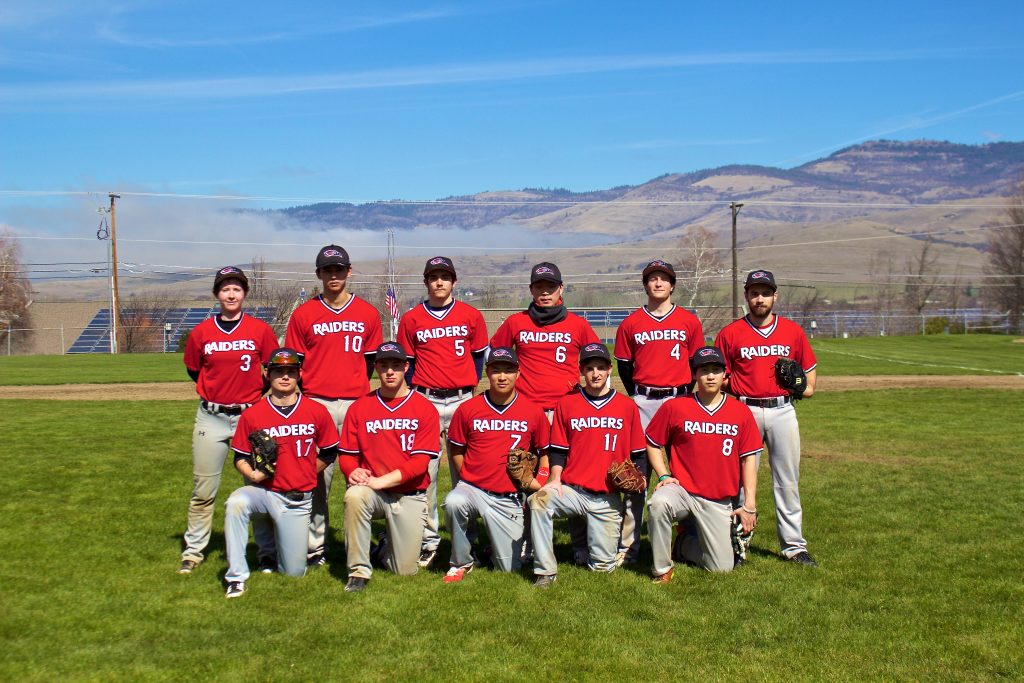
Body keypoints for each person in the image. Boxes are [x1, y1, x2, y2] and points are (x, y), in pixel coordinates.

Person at [285, 244, 383, 566]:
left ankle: (364, 545)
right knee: (317, 479)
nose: (334, 275)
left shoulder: (367, 313)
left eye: (339, 269)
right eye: (327, 270)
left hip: (357, 404)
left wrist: (353, 389)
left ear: (349, 271)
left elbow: (371, 364)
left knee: (365, 475)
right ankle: (316, 548)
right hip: (317, 404)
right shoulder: (304, 314)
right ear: (318, 274)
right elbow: (295, 365)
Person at [178, 265, 279, 574]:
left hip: (250, 416)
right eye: (225, 289)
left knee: (259, 485)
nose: (231, 294)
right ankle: (194, 550)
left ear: (244, 293)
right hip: (212, 416)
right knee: (204, 488)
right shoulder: (201, 332)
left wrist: (253, 396)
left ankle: (267, 552)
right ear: (216, 294)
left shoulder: (260, 330)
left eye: (236, 288)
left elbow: (273, 369)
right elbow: (194, 369)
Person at [715, 269, 818, 567]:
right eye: (754, 293)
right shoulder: (730, 334)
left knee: (787, 480)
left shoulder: (792, 332)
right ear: (746, 296)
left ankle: (794, 547)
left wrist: (799, 387)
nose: (759, 299)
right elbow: (718, 377)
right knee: (739, 481)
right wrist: (739, 386)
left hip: (783, 410)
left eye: (765, 293)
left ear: (775, 296)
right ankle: (737, 544)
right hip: (744, 410)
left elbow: (810, 382)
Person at [221, 348, 340, 598]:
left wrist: (306, 471)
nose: (285, 376)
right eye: (278, 371)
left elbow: (329, 452)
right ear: (267, 374)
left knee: (293, 572)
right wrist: (252, 475)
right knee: (236, 503)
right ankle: (236, 577)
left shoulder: (316, 411)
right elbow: (240, 457)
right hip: (265, 493)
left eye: (290, 371)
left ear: (299, 375)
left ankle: (279, 554)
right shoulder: (253, 414)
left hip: (297, 499)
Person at [528, 343, 646, 588]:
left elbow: (638, 454)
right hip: (573, 491)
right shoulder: (567, 403)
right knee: (538, 501)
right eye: (590, 368)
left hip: (607, 498)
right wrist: (555, 478)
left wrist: (641, 480)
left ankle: (586, 547)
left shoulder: (627, 406)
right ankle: (545, 571)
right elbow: (558, 449)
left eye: (601, 368)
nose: (595, 373)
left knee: (602, 569)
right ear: (582, 370)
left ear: (609, 369)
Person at [396, 256, 488, 570]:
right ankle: (428, 540)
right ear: (426, 282)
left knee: (467, 473)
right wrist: (417, 395)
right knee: (427, 473)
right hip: (426, 400)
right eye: (433, 277)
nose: (439, 282)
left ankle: (468, 540)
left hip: (462, 400)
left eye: (445, 277)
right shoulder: (412, 319)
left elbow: (478, 359)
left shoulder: (471, 315)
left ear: (454, 282)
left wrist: (468, 389)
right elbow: (407, 365)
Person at [613, 259, 704, 565]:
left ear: (672, 285)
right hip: (644, 401)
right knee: (637, 475)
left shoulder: (689, 321)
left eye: (664, 278)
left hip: (680, 400)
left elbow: (697, 364)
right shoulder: (631, 323)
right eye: (652, 278)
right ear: (646, 285)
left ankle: (688, 537)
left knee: (685, 470)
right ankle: (629, 547)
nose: (658, 283)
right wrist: (641, 393)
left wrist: (683, 394)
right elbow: (624, 367)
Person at [645, 346, 761, 580]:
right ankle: (662, 569)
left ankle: (683, 545)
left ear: (724, 374)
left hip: (718, 499)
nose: (710, 376)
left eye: (716, 370)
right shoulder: (675, 406)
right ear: (694, 374)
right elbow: (652, 442)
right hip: (682, 491)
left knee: (721, 568)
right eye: (704, 370)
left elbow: (749, 459)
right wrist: (664, 475)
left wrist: (749, 504)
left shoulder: (741, 412)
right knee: (658, 503)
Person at [338, 342, 441, 592]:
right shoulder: (360, 407)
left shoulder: (424, 408)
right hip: (373, 493)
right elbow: (347, 455)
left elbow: (419, 464)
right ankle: (358, 572)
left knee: (404, 570)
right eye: (384, 366)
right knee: (354, 495)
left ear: (406, 367)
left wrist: (380, 480)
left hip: (409, 493)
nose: (390, 371)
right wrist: (351, 470)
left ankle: (383, 547)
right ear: (376, 368)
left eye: (396, 365)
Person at [442, 347, 550, 582]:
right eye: (496, 370)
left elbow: (545, 452)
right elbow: (456, 450)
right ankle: (461, 561)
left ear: (518, 373)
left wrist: (539, 481)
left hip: (508, 497)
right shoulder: (468, 409)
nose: (502, 377)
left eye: (508, 371)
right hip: (473, 489)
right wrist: (468, 477)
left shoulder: (532, 411)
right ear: (487, 373)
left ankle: (493, 548)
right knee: (454, 502)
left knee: (509, 569)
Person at [489, 262, 600, 419]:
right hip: (525, 406)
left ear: (561, 288)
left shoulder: (578, 324)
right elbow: (494, 355)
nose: (545, 292)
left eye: (551, 286)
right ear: (531, 289)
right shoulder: (516, 322)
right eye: (539, 287)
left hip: (566, 406)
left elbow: (599, 360)